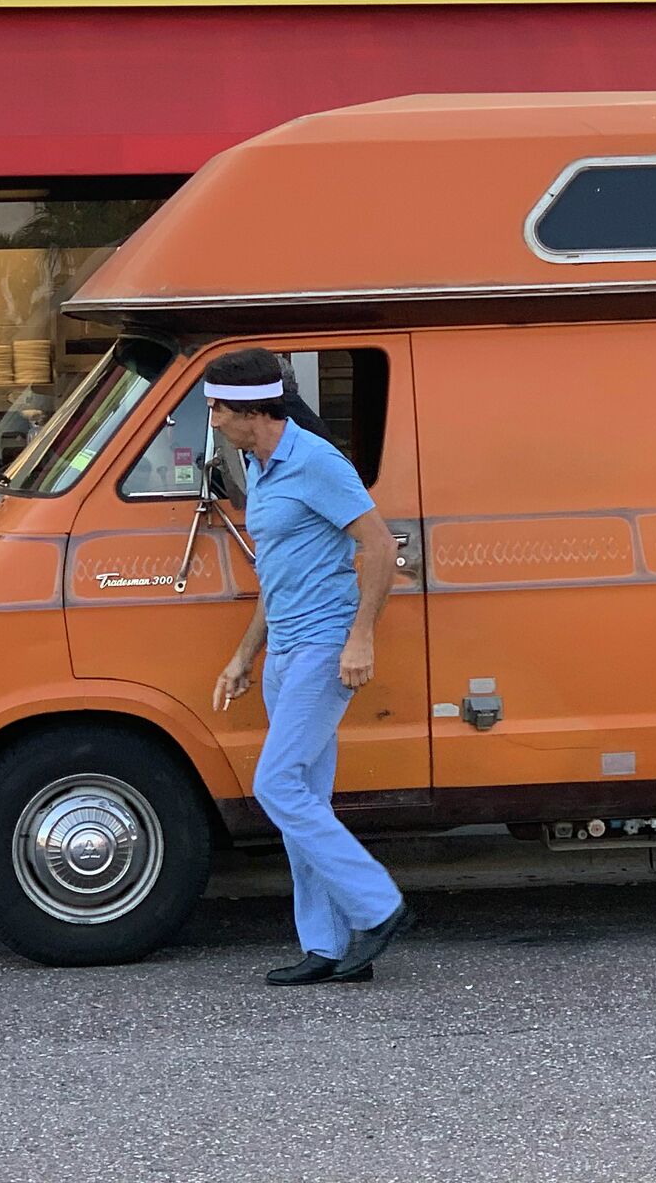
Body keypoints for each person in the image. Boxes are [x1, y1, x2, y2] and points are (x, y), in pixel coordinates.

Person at [206, 347, 411, 985]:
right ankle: (326, 946)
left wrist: (361, 638)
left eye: (218, 408)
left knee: (277, 786)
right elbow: (277, 575)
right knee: (306, 797)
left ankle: (378, 904)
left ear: (253, 411)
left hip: (325, 646)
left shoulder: (317, 462)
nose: (211, 419)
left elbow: (378, 544)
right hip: (285, 651)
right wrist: (244, 656)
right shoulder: (259, 466)